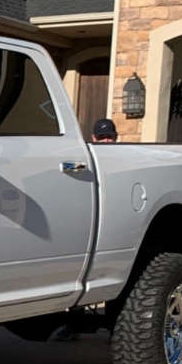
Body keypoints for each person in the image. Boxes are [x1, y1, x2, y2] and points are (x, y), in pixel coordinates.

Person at [54, 118, 118, 342]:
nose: (106, 140)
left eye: (110, 136)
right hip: (89, 224)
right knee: (79, 276)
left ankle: (116, 330)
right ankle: (73, 325)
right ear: (94, 138)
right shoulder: (88, 159)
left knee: (115, 278)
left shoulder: (121, 161)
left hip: (115, 226)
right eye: (102, 138)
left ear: (116, 137)